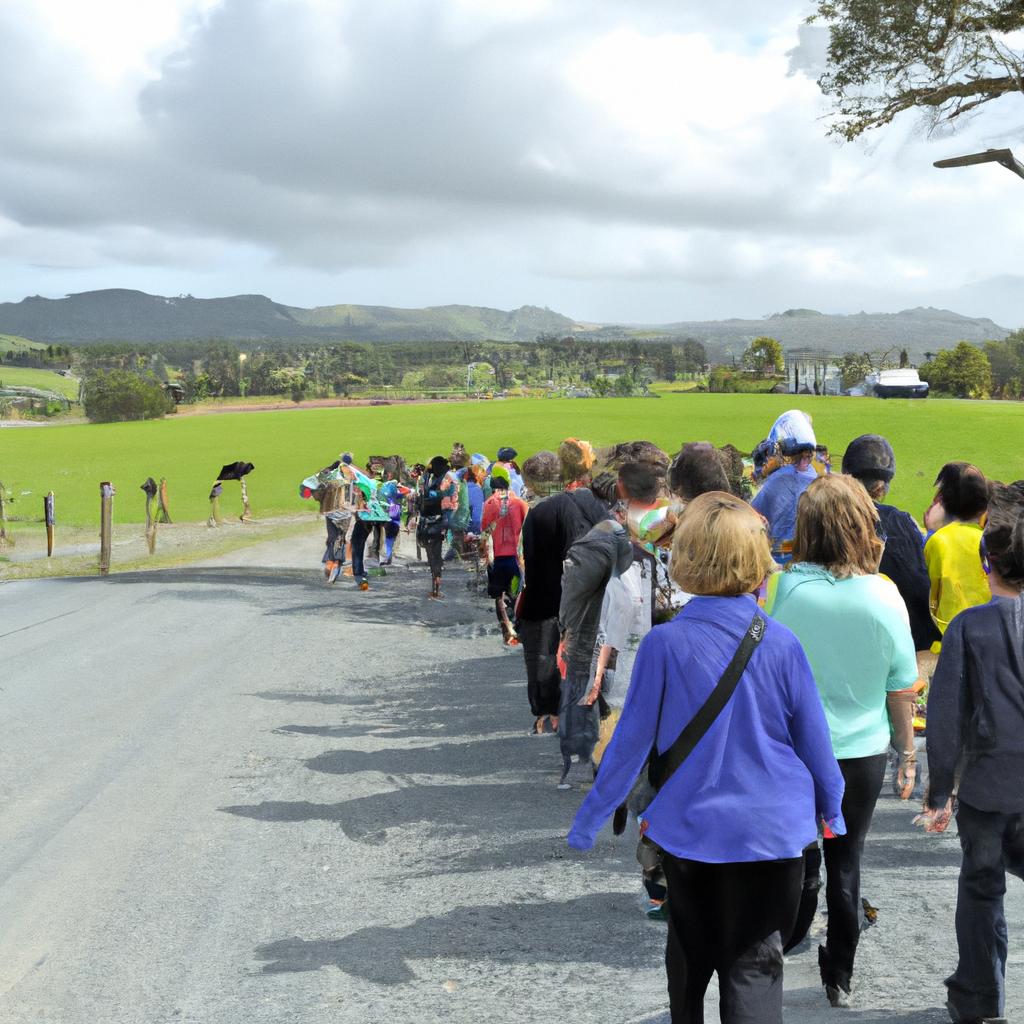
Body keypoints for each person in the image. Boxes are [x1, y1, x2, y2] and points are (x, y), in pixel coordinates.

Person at [569, 492, 845, 1024]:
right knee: (755, 968)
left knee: (689, 961)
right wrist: (831, 811)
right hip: (773, 833)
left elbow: (629, 745)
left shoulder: (664, 645)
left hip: (690, 831)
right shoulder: (783, 644)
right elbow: (815, 744)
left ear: (685, 558)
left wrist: (590, 820)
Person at [764, 474, 919, 1007]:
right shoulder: (885, 595)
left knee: (797, 856)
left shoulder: (783, 589)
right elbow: (901, 687)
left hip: (794, 751)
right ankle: (841, 975)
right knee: (846, 863)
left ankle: (781, 945)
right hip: (862, 753)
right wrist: (909, 753)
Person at [918, 480, 1024, 1024]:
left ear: (987, 560)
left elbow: (945, 718)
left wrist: (940, 790)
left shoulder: (969, 626)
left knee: (982, 892)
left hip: (988, 790)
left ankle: (981, 999)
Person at [842, 434, 939, 798]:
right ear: (884, 484)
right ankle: (905, 756)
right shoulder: (901, 522)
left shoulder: (835, 521)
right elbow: (920, 581)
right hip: (904, 635)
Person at [517, 446, 607, 734]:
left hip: (547, 603)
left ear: (531, 482)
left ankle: (551, 716)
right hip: (588, 603)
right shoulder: (588, 502)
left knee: (544, 662)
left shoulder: (541, 512)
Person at [556, 491, 632, 788]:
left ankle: (581, 761)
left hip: (587, 640)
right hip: (605, 641)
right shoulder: (620, 555)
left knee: (583, 693)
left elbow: (570, 606)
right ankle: (593, 760)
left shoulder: (586, 552)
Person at [924, 462, 991, 650]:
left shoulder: (938, 541)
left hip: (948, 638)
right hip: (988, 633)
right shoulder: (987, 538)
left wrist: (930, 533)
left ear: (942, 501)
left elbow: (930, 592)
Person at [751, 410, 821, 563]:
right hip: (809, 558)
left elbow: (751, 517)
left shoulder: (779, 479)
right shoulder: (816, 476)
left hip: (775, 560)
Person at [480, 468, 529, 645]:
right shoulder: (520, 504)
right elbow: (529, 529)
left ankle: (507, 631)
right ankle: (519, 630)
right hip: (517, 558)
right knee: (518, 593)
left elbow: (485, 532)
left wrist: (484, 552)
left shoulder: (489, 504)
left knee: (500, 596)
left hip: (498, 557)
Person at [416, 455, 457, 600]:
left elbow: (442, 496)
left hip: (438, 521)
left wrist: (428, 495)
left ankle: (436, 588)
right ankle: (435, 586)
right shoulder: (435, 476)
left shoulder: (446, 479)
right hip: (432, 521)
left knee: (435, 555)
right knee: (433, 555)